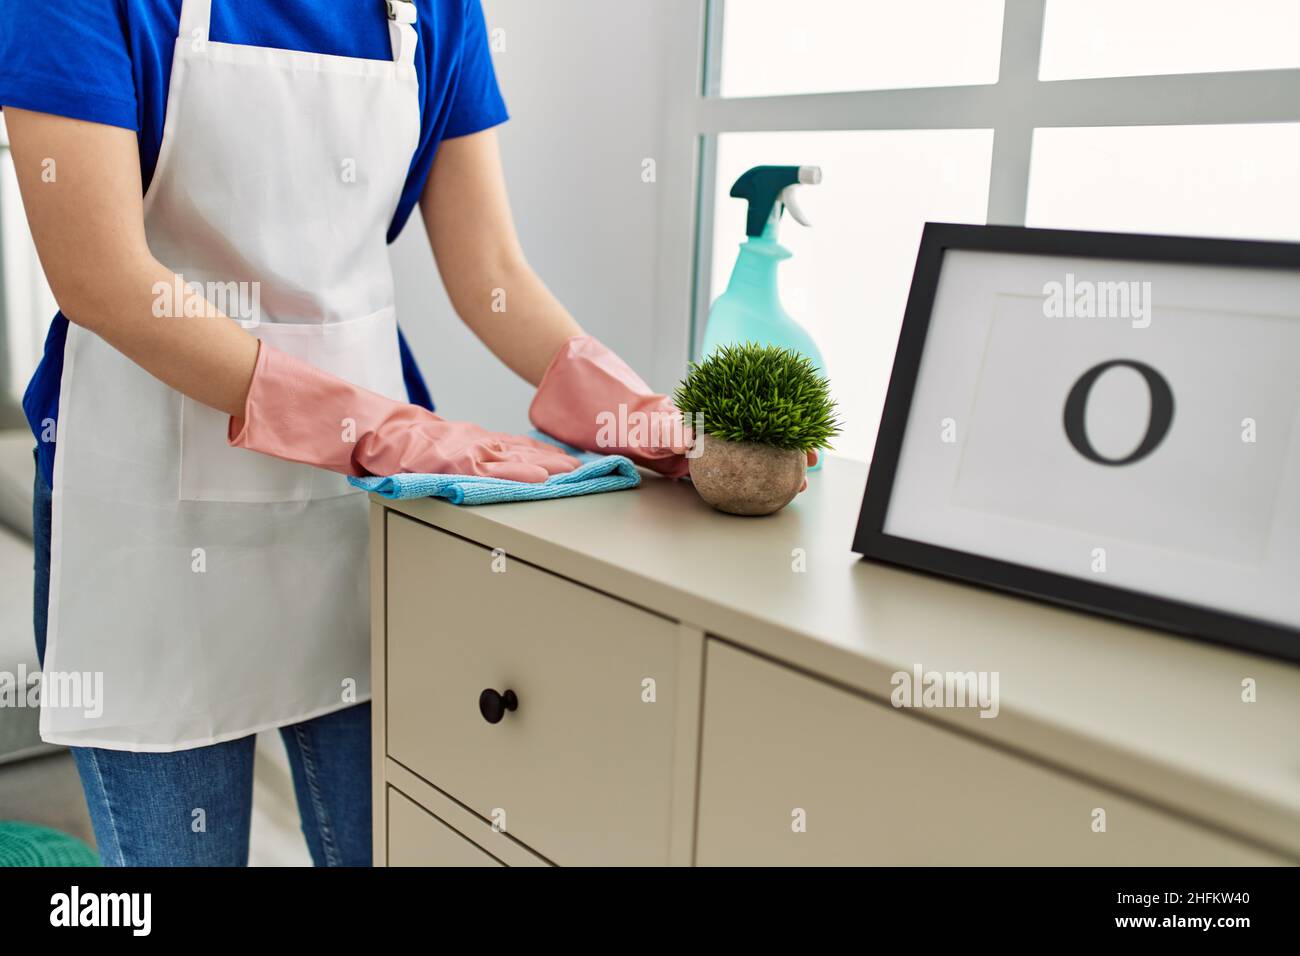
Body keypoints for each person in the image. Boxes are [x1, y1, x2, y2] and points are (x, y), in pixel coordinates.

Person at [1, 0, 808, 866]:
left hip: (364, 509)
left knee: (397, 842)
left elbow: (490, 270)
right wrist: (367, 426)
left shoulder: (434, 10)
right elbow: (103, 276)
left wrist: (634, 412)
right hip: (149, 505)